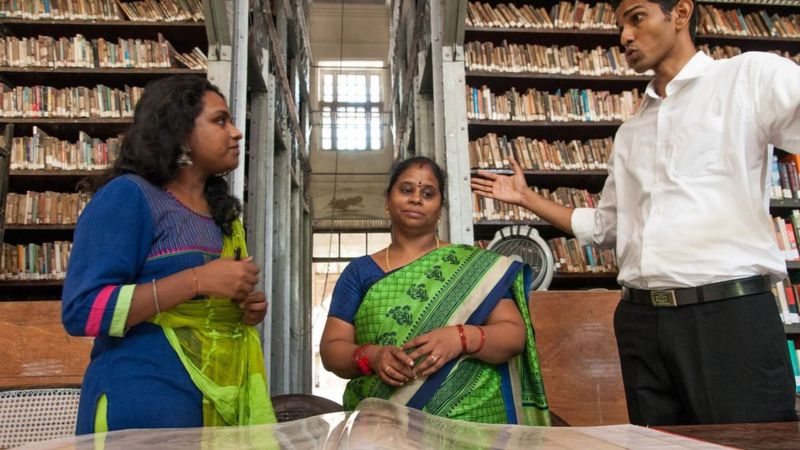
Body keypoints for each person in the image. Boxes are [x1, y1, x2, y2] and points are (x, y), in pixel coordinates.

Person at [472, 0, 800, 426]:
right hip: (641, 322)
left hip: (725, 318)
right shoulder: (631, 133)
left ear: (680, 13)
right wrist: (527, 199)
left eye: (637, 17)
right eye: (620, 25)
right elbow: (605, 228)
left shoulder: (746, 78)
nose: (624, 36)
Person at [62, 75, 276, 433]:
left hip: (214, 409)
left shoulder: (221, 213)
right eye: (220, 121)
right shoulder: (130, 197)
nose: (236, 132)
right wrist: (196, 281)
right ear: (179, 132)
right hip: (142, 406)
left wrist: (244, 308)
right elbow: (83, 310)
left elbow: (209, 307)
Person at [319, 156, 550, 425]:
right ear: (387, 200)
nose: (416, 198)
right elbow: (332, 349)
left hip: (471, 422)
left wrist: (461, 338)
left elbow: (513, 335)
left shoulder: (472, 266)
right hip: (384, 426)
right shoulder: (359, 273)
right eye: (406, 190)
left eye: (428, 193)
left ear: (440, 208)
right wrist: (372, 356)